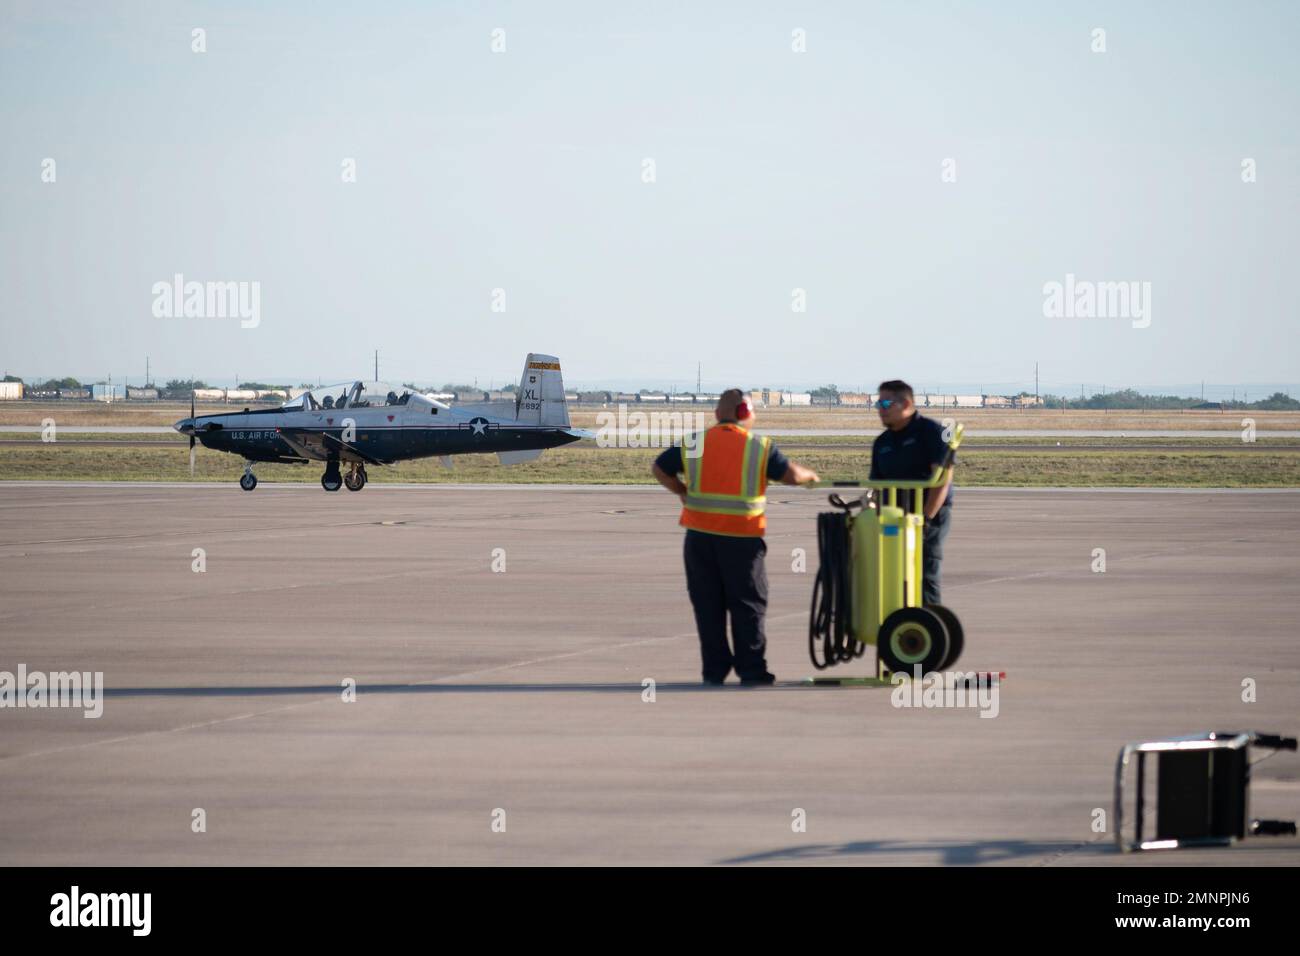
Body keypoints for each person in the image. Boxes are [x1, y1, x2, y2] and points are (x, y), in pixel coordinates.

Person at [652, 389, 819, 686]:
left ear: (718, 414)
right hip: (741, 540)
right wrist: (811, 476)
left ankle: (714, 672)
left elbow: (659, 469)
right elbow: (791, 476)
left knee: (707, 606)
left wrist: (682, 492)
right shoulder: (758, 447)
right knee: (748, 606)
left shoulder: (695, 443)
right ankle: (751, 671)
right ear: (745, 412)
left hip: (699, 540)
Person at [870, 379, 956, 605]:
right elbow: (877, 487)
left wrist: (925, 519)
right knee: (894, 575)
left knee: (925, 573)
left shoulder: (931, 433)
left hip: (929, 516)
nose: (880, 410)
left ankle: (929, 624)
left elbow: (941, 481)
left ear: (906, 403)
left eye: (886, 403)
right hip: (894, 518)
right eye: (878, 404)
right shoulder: (881, 443)